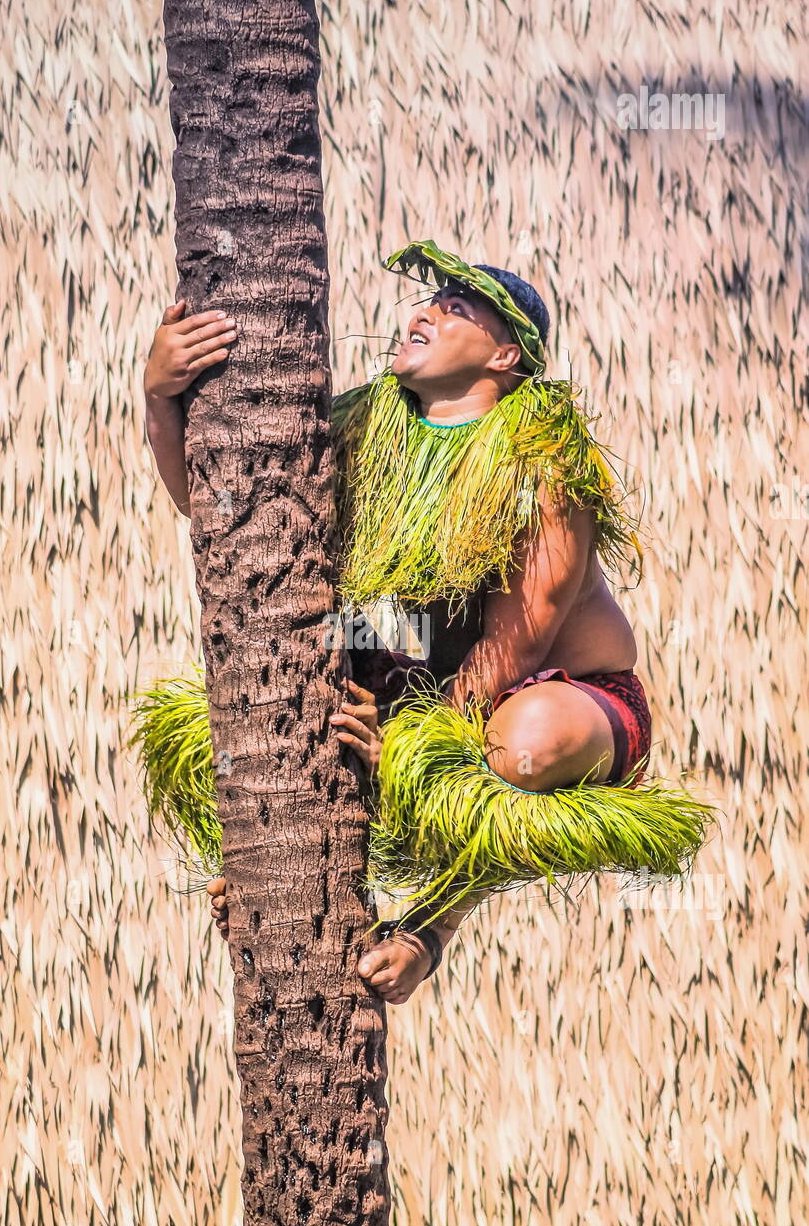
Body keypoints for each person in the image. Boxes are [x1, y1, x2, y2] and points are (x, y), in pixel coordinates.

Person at [143, 241, 652, 1006]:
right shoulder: (363, 425)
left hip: (550, 697)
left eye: (455, 309)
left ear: (506, 355)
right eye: (425, 301)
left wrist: (412, 748)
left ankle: (430, 932)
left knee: (524, 743)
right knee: (228, 722)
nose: (423, 312)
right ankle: (261, 880)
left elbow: (520, 640)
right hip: (403, 691)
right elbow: (221, 515)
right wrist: (160, 397)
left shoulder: (544, 457)